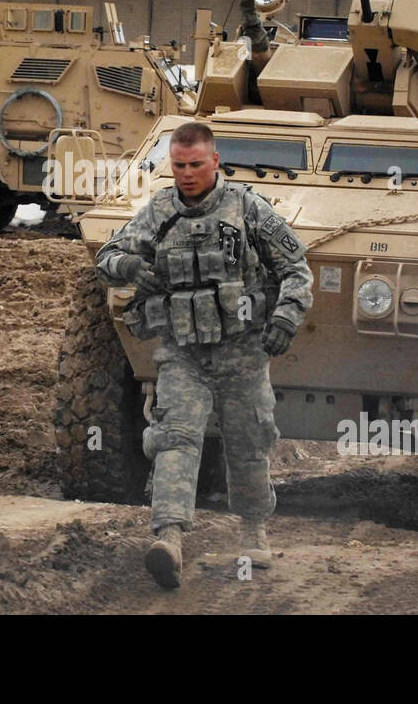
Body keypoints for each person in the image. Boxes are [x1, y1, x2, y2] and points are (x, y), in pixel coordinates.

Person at [95, 121, 313, 589]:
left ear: (215, 161)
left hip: (242, 350)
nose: (187, 174)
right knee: (174, 436)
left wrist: (285, 318)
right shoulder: (157, 212)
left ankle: (254, 530)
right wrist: (131, 264)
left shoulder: (249, 208)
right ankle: (169, 538)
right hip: (183, 351)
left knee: (248, 441)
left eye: (196, 165)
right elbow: (107, 258)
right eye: (178, 166)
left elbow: (296, 267)